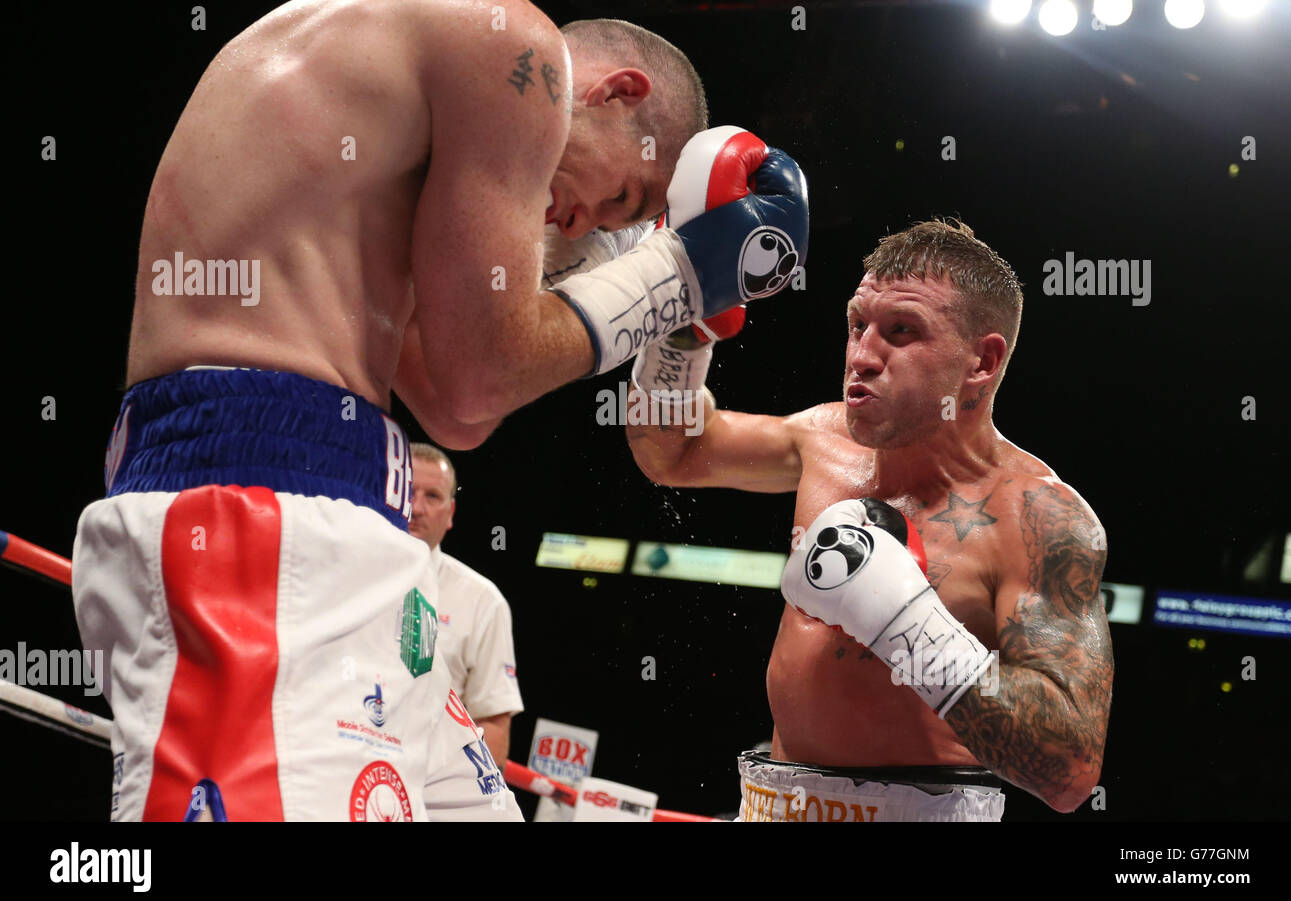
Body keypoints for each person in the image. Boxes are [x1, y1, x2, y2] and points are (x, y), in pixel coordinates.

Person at [72, 0, 808, 821]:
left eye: (613, 225)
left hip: (333, 501)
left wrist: (625, 273)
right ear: (617, 92)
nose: (583, 224)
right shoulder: (509, 44)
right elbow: (478, 380)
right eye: (619, 198)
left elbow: (458, 414)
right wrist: (680, 275)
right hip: (251, 505)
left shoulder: (391, 117)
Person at [626, 219, 1113, 821]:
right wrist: (683, 328)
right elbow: (671, 451)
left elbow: (1068, 770)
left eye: (901, 331)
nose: (862, 355)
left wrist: (909, 627)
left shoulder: (1040, 516)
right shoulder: (823, 439)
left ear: (982, 362)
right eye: (858, 325)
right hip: (767, 804)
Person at [408, 444, 522, 769]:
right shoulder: (345, 574)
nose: (417, 508)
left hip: (430, 786)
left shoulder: (481, 600)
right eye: (408, 491)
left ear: (450, 514)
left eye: (432, 496)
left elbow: (494, 722)